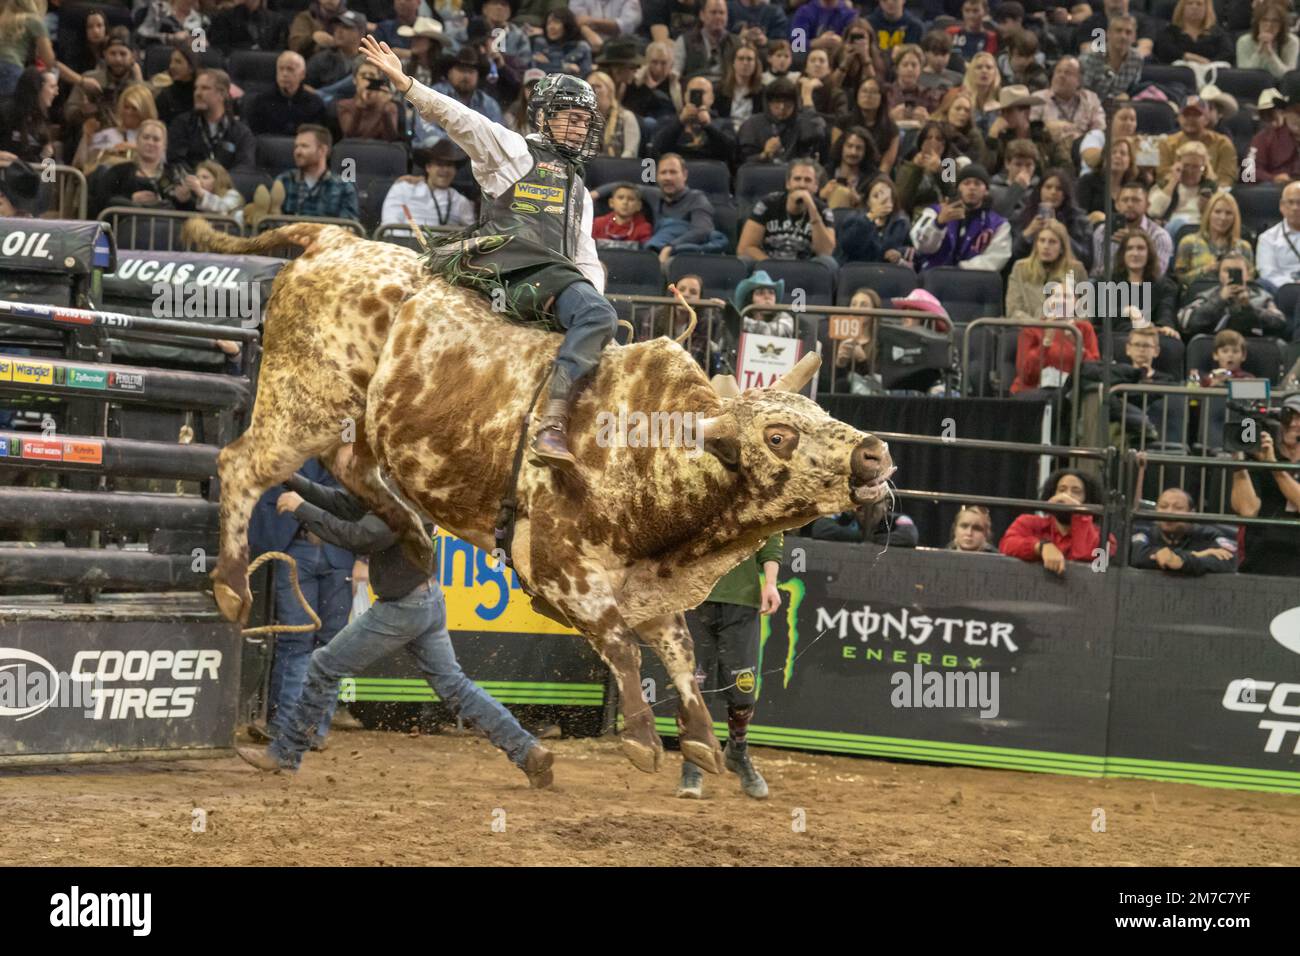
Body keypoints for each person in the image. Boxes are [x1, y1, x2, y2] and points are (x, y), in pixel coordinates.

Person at [363, 37, 617, 470]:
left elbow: (585, 254)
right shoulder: (515, 150)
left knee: (599, 322)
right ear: (544, 117)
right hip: (511, 266)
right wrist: (407, 84)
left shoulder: (580, 188)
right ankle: (553, 423)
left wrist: (590, 299)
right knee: (599, 319)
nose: (578, 129)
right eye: (570, 119)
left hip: (555, 278)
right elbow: (460, 119)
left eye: (583, 121)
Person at [238, 447, 555, 785]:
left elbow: (359, 535)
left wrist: (301, 509)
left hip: (403, 606)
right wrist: (294, 481)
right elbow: (348, 506)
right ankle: (528, 751)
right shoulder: (404, 481)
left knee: (323, 665)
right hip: (423, 599)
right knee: (455, 687)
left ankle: (285, 752)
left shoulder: (400, 490)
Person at [245, 459, 354, 748]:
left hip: (334, 549)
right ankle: (289, 727)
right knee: (299, 641)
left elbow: (356, 474)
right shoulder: (295, 431)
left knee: (325, 645)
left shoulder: (347, 430)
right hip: (300, 546)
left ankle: (310, 729)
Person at [678, 533, 782, 800]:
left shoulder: (755, 494)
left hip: (742, 601)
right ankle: (692, 765)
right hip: (694, 597)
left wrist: (770, 583)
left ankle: (737, 751)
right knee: (693, 688)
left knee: (743, 692)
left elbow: (771, 534)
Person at [1230, 395, 1300, 577]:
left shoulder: (1268, 459)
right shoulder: (1260, 454)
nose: (1292, 424)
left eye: (1299, 418)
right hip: (1262, 556)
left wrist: (1273, 466)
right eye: (1288, 417)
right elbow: (1247, 510)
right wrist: (1240, 461)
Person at [998, 467, 1113, 574]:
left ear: (1088, 500)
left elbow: (1085, 558)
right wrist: (1041, 547)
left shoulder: (1105, 537)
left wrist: (1080, 512)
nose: (1066, 496)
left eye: (1076, 491)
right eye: (1061, 490)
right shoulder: (1029, 522)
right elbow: (1006, 545)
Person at [737, 158, 838, 270]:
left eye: (808, 180)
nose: (802, 184)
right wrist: (774, 266)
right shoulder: (769, 204)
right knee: (744, 260)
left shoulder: (823, 210)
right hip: (769, 270)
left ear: (816, 187)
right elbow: (745, 247)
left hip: (804, 273)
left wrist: (812, 208)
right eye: (797, 179)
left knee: (828, 262)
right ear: (788, 183)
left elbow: (825, 252)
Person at [911, 163, 1012, 271]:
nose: (972, 187)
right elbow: (921, 246)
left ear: (986, 191)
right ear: (958, 188)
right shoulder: (935, 212)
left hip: (971, 282)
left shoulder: (997, 224)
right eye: (966, 183)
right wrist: (938, 224)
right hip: (931, 277)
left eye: (977, 184)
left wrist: (959, 269)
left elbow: (994, 260)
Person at [1010, 277, 1099, 395]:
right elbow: (1027, 375)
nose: (1061, 302)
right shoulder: (1032, 329)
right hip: (1034, 391)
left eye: (1067, 297)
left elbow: (1094, 371)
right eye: (1056, 297)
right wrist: (1046, 342)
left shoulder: (1084, 329)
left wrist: (1077, 344)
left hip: (1072, 393)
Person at [1175, 254, 1288, 340]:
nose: (1230, 275)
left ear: (1247, 274)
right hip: (1214, 346)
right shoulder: (1206, 296)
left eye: (1238, 271)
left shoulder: (1262, 296)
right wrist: (1219, 300)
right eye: (1226, 271)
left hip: (1253, 345)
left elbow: (1280, 323)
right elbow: (1187, 323)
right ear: (1219, 275)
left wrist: (1248, 307)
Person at [1130, 487, 1237, 575]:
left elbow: (1229, 560)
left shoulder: (1208, 534)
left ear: (1192, 513)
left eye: (1178, 508)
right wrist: (1197, 555)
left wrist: (1183, 562)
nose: (1169, 512)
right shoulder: (1146, 533)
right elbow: (1136, 556)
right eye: (1163, 506)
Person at [166, 68, 256, 170]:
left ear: (222, 94)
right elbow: (176, 161)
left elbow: (244, 168)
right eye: (196, 88)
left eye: (205, 88)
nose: (197, 93)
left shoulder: (241, 133)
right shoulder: (181, 124)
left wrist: (219, 182)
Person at [414, 46, 503, 147]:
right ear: (449, 73)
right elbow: (426, 132)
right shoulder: (433, 95)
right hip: (436, 155)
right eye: (461, 70)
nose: (466, 76)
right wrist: (466, 145)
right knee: (432, 142)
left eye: (471, 72)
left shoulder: (489, 104)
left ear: (478, 76)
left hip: (475, 159)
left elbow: (497, 138)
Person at [380, 139, 476, 229]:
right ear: (428, 167)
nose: (445, 170)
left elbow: (472, 233)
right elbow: (389, 224)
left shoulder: (461, 202)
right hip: (403, 243)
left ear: (455, 171)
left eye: (449, 165)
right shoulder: (403, 188)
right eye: (440, 164)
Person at [1005, 219, 1084, 324]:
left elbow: (1085, 313)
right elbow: (1013, 311)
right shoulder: (1020, 268)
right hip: (1028, 330)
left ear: (1062, 247)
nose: (1046, 246)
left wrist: (1065, 324)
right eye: (1042, 240)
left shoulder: (1076, 269)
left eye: (1052, 242)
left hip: (1065, 332)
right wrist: (1040, 326)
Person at [273, 125, 359, 220]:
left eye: (304, 146)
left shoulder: (344, 187)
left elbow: (348, 228)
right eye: (296, 146)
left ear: (322, 150)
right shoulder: (284, 181)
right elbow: (272, 222)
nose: (297, 151)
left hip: (327, 235)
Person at [64, 27, 144, 129]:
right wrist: (81, 111)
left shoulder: (139, 84)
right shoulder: (90, 78)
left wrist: (139, 82)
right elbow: (68, 112)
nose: (117, 59)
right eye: (113, 53)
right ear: (105, 54)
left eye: (123, 54)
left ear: (133, 56)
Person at [1011, 167, 1091, 268]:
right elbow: (1011, 257)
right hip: (1030, 273)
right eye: (1048, 187)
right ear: (1040, 190)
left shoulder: (1078, 219)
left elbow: (1086, 260)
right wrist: (1028, 232)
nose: (1053, 192)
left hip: (1066, 273)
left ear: (1065, 194)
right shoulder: (1022, 216)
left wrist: (1063, 234)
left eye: (1059, 189)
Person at [736, 77, 827, 164]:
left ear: (795, 104)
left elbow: (815, 134)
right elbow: (742, 162)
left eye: (788, 103)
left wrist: (806, 96)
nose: (782, 108)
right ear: (767, 103)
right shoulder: (752, 124)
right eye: (776, 102)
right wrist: (764, 154)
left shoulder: (803, 121)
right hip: (763, 175)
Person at [1091, 181, 1173, 277]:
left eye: (1136, 200)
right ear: (1117, 205)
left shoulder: (1159, 236)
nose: (1129, 204)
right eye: (1125, 200)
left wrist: (1130, 245)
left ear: (1147, 205)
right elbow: (1096, 271)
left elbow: (1157, 275)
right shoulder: (1102, 231)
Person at [1157, 96, 1238, 191]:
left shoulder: (1223, 144)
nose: (1190, 119)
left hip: (1212, 194)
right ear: (1178, 118)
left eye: (1196, 114)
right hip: (1174, 194)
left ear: (1207, 119)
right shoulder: (1166, 144)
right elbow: (1162, 176)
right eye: (1186, 114)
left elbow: (1225, 180)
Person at [1171, 193, 1253, 287]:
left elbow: (1250, 280)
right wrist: (1207, 269)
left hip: (1233, 296)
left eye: (1228, 213)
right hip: (1197, 296)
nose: (1223, 218)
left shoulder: (1244, 247)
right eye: (1217, 212)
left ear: (1235, 217)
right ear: (1208, 214)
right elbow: (1179, 279)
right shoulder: (1188, 242)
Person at [651, 74, 735, 163]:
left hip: (709, 169)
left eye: (703, 92)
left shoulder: (724, 123)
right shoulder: (668, 121)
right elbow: (657, 149)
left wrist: (708, 126)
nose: (698, 96)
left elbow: (730, 152)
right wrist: (680, 122)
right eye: (693, 92)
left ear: (712, 98)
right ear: (685, 96)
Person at [1109, 228, 1179, 333]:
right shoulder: (1109, 283)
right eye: (1129, 248)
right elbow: (1106, 317)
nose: (1135, 253)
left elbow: (1166, 312)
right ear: (1122, 254)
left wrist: (1165, 327)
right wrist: (1127, 311)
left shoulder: (1164, 286)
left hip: (1153, 335)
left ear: (1149, 254)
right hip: (1120, 336)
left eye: (1141, 248)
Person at [1031, 57, 1103, 154]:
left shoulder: (1091, 99)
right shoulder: (1038, 98)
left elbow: (1099, 131)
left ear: (1079, 81)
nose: (1061, 76)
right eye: (1058, 71)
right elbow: (1031, 130)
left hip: (1081, 152)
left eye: (1068, 73)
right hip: (1049, 152)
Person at [1148, 140, 1221, 234]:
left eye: (1195, 167)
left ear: (1204, 168)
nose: (1190, 171)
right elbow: (1153, 211)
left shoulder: (1212, 188)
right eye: (1186, 166)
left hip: (1200, 229)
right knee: (1178, 224)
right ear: (1178, 164)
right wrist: (1173, 182)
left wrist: (1207, 208)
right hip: (1170, 229)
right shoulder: (1164, 185)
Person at [836, 173, 910, 263]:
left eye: (887, 197)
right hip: (856, 270)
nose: (881, 201)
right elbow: (848, 246)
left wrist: (899, 253)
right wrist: (871, 216)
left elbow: (913, 250)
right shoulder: (854, 218)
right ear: (868, 201)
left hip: (886, 272)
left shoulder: (901, 222)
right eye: (876, 196)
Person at [836, 78, 900, 173]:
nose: (868, 96)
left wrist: (875, 182)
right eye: (864, 91)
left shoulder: (891, 128)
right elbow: (837, 155)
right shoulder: (843, 122)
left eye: (873, 92)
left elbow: (886, 164)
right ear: (857, 94)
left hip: (875, 176)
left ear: (881, 98)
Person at [1079, 15, 1143, 100]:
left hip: (1118, 107)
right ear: (1108, 34)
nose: (1123, 36)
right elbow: (1082, 91)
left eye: (1128, 32)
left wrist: (1126, 95)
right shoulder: (1091, 57)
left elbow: (1132, 88)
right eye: (1118, 31)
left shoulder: (1137, 60)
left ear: (1134, 38)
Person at [1153, 0, 1232, 66]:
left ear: (1207, 9)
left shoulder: (1218, 33)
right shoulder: (1170, 32)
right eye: (1189, 3)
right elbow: (1165, 51)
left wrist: (1208, 63)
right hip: (1177, 77)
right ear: (1182, 8)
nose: (1194, 7)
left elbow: (1228, 54)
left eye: (1199, 4)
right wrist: (1186, 56)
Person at [337, 61, 400, 141]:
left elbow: (391, 138)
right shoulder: (344, 105)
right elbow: (349, 135)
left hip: (380, 151)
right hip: (353, 151)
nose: (367, 80)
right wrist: (359, 107)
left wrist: (384, 109)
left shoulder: (389, 106)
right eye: (363, 75)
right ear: (355, 80)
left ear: (379, 80)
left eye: (372, 75)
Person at [674, 0, 735, 83]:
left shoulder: (736, 42)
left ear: (727, 16)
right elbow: (675, 74)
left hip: (727, 92)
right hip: (695, 90)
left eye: (722, 13)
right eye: (713, 12)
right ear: (702, 15)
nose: (718, 17)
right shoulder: (684, 41)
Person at [1254, 181, 1300, 289]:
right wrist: (1294, 286)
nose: (1295, 208)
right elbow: (1268, 273)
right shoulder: (1267, 238)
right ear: (1282, 206)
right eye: (1290, 202)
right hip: (1283, 292)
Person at [820, 126, 878, 210]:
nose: (853, 152)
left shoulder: (873, 178)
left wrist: (859, 203)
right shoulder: (825, 172)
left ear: (866, 151)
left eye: (859, 148)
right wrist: (821, 196)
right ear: (842, 147)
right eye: (849, 146)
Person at [1250, 89, 1300, 184]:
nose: (1298, 118)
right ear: (1285, 113)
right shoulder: (1263, 138)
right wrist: (1273, 178)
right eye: (1296, 112)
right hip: (1276, 192)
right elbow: (1247, 174)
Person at [1236, 1, 1297, 78]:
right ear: (1257, 23)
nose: (1269, 25)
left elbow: (1289, 77)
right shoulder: (1244, 41)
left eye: (1275, 21)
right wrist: (1260, 51)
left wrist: (1270, 54)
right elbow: (1244, 76)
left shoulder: (1292, 42)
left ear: (1282, 25)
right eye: (1264, 20)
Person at [209, 0, 288, 54]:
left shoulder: (277, 20)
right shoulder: (222, 18)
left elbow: (280, 50)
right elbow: (219, 49)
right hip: (236, 66)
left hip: (268, 66)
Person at [531, 7, 592, 76]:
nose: (551, 27)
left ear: (567, 25)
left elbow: (585, 77)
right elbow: (535, 73)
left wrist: (548, 64)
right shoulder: (540, 43)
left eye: (556, 22)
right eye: (548, 23)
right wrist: (565, 68)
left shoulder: (581, 47)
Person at [733, 270, 795, 337]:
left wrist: (737, 320)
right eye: (760, 293)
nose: (767, 297)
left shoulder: (785, 317)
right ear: (750, 299)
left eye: (771, 293)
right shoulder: (744, 317)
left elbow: (770, 332)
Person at [592, 181, 651, 248]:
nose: (625, 202)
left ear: (638, 206)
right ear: (611, 203)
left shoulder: (643, 228)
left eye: (631, 199)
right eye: (620, 198)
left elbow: (645, 254)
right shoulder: (598, 223)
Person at [150, 47, 198, 127]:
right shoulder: (165, 96)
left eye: (178, 62)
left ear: (191, 68)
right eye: (171, 62)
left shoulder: (200, 93)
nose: (172, 66)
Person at [186, 159, 245, 223]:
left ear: (217, 180)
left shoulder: (233, 195)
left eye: (205, 177)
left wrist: (199, 191)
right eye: (197, 177)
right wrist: (184, 198)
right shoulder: (200, 197)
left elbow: (222, 207)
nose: (199, 181)